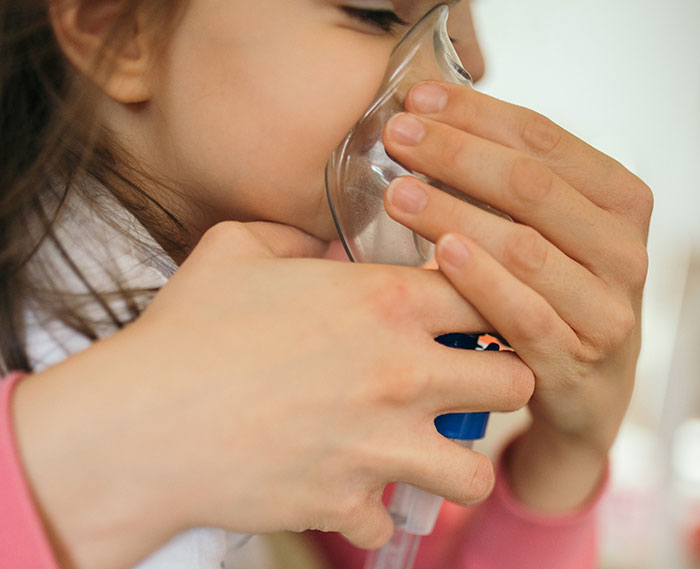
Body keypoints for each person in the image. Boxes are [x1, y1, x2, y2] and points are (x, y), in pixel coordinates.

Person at [0, 1, 652, 568]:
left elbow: (395, 549)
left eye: (454, 20)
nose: (469, 65)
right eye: (372, 11)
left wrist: (565, 458)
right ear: (115, 23)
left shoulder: (313, 315)